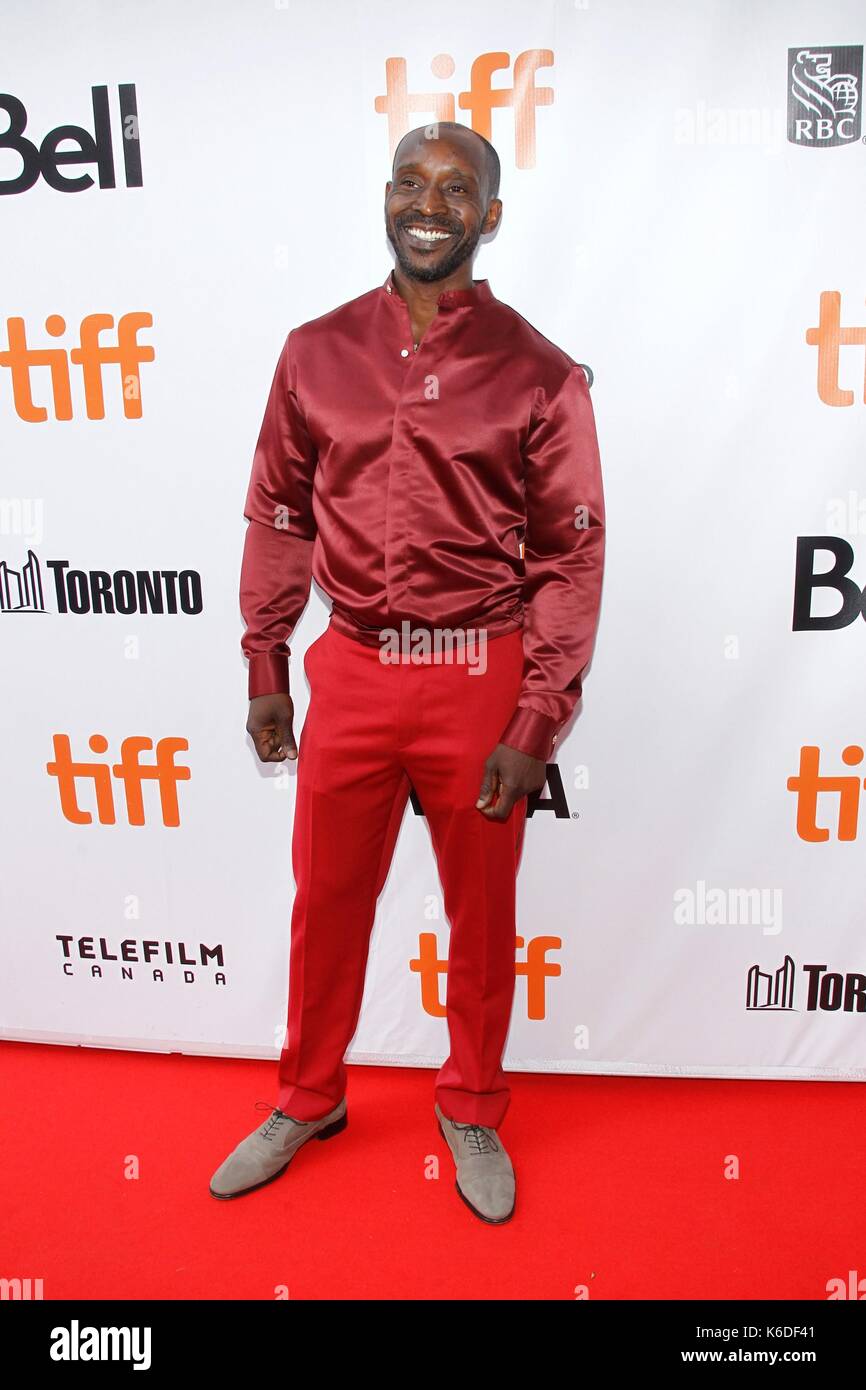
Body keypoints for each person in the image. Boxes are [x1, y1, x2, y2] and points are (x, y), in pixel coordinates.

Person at [209, 121, 605, 1224]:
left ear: (488, 215)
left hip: (480, 673)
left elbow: (570, 556)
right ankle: (307, 1094)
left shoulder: (538, 372)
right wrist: (264, 660)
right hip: (352, 672)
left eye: (454, 187)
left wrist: (537, 719)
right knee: (325, 900)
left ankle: (471, 1101)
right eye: (409, 181)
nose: (427, 202)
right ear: (385, 197)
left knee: (481, 914)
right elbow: (277, 515)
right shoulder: (312, 350)